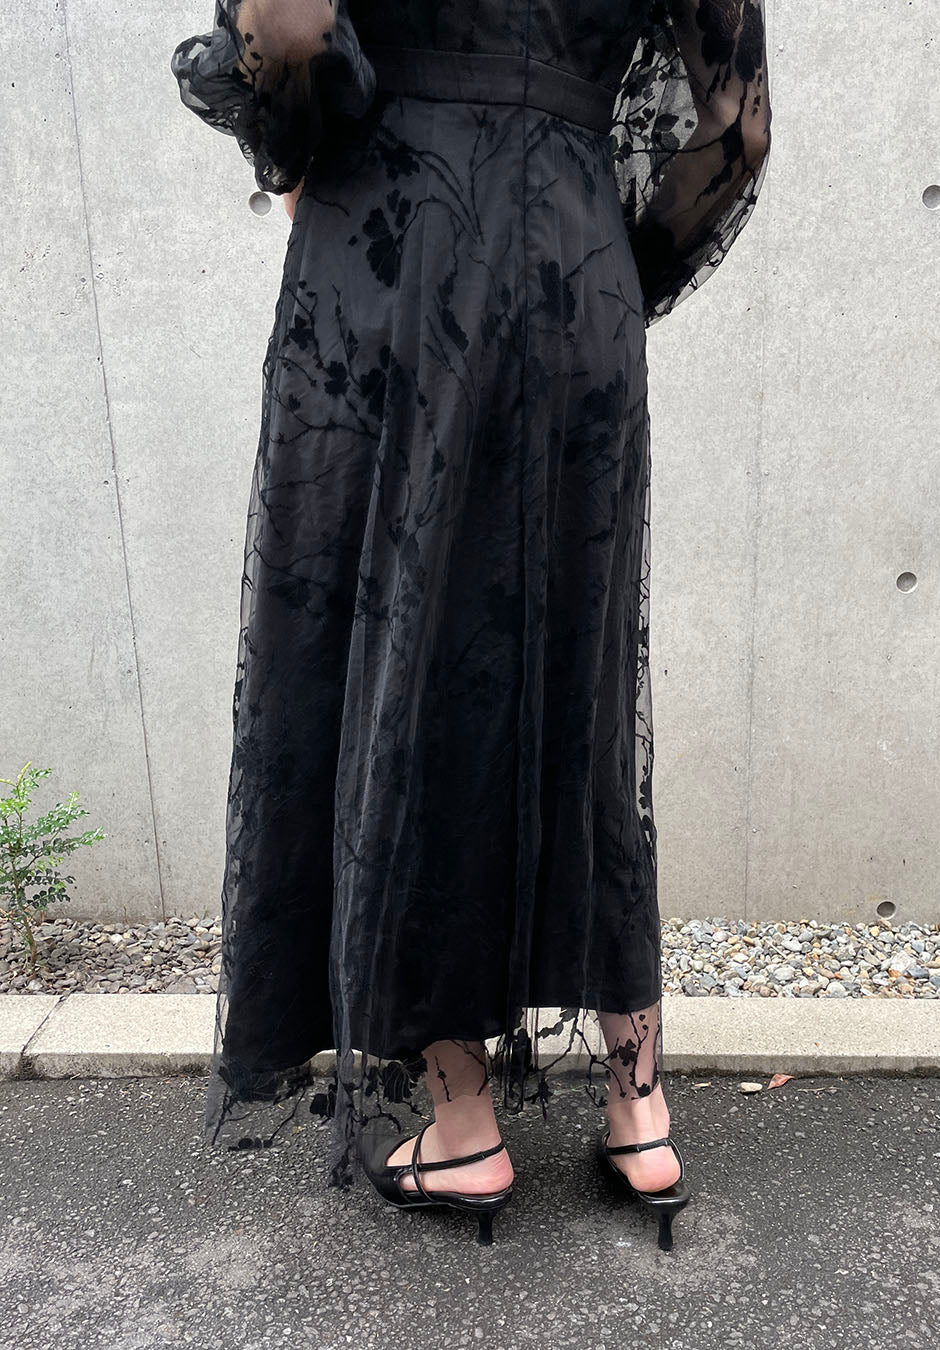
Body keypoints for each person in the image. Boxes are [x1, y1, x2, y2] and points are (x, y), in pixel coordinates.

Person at [170, 0, 771, 1249]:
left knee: (412, 666)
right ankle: (640, 1111)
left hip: (397, 242)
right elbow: (733, 124)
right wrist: (608, 261)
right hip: (577, 263)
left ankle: (462, 1126)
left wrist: (294, 150)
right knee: (581, 687)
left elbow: (287, 27)